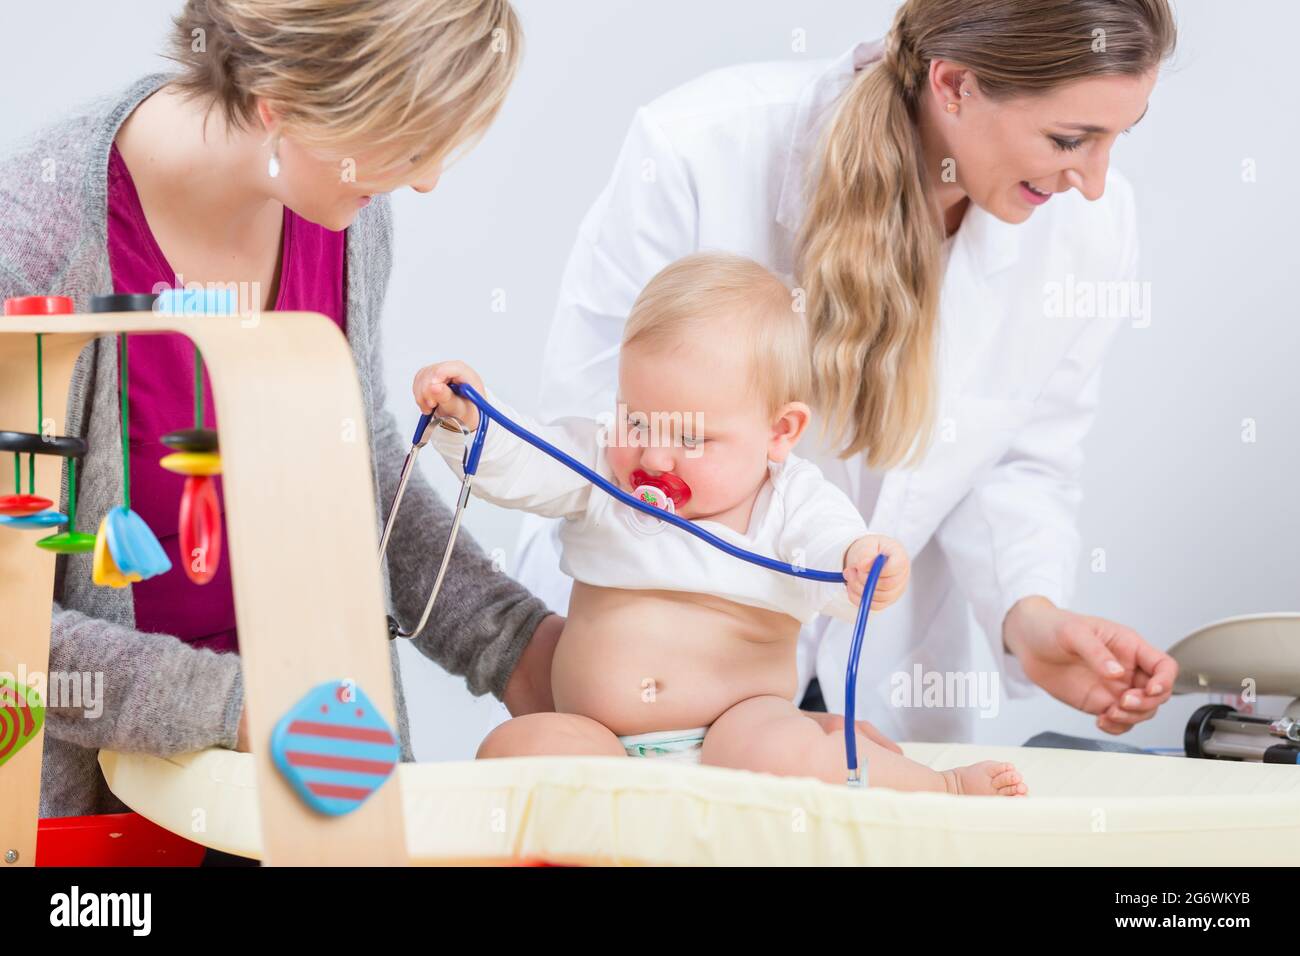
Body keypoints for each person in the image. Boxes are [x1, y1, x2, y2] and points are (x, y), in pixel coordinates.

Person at [512, 0, 1181, 743]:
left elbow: (1019, 460)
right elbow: (598, 430)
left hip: (872, 689)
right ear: (954, 84)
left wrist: (1031, 615)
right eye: (1069, 139)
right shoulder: (697, 149)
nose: (1092, 180)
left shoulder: (1091, 227)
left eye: (1117, 139)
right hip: (644, 680)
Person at [0, 0, 563, 818]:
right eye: (407, 144)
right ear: (285, 104)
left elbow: (356, 463)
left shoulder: (338, 209)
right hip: (109, 812)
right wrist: (234, 707)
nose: (426, 177)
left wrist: (518, 645)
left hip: (312, 775)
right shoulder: (39, 235)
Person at [416, 252, 1026, 795]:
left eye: (689, 436)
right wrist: (469, 421)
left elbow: (834, 551)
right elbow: (527, 462)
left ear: (780, 432)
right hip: (601, 740)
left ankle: (943, 787)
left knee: (782, 751)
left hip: (733, 735)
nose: (653, 457)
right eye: (635, 420)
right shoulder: (605, 468)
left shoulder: (792, 503)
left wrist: (861, 563)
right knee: (515, 749)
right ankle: (627, 828)